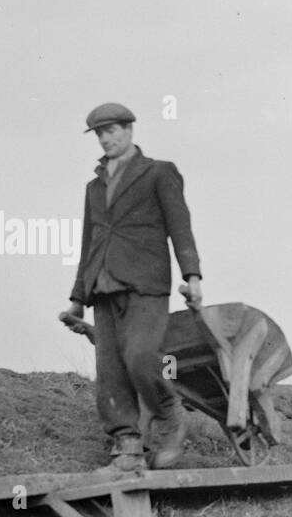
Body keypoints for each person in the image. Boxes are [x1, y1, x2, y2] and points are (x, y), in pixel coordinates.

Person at [63, 103, 201, 473]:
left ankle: (168, 412)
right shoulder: (94, 186)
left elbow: (180, 227)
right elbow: (89, 241)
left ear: (130, 131)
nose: (106, 138)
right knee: (111, 371)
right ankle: (126, 448)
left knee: (141, 357)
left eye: (112, 131)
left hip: (145, 282)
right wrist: (78, 298)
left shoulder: (158, 173)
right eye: (100, 133)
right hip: (102, 286)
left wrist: (192, 276)